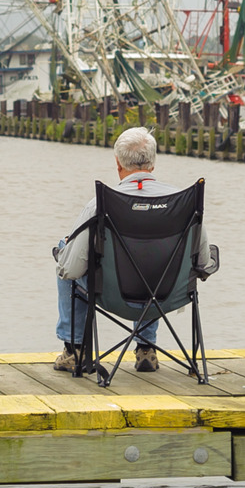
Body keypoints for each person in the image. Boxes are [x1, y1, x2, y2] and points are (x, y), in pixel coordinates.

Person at [53, 125, 212, 373]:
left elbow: (70, 270)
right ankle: (146, 349)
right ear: (153, 163)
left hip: (112, 296)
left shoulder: (100, 205)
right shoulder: (184, 203)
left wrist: (65, 250)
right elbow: (203, 264)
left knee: (67, 251)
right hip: (167, 295)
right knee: (152, 266)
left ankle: (75, 351)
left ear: (118, 164)